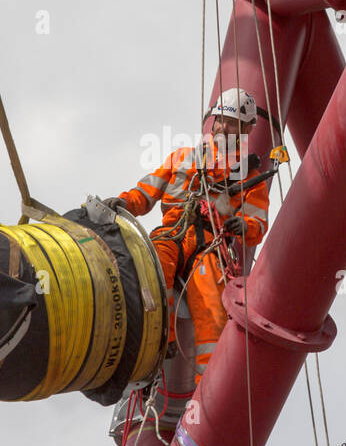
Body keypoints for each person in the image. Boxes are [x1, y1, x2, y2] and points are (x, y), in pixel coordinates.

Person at [107, 88, 270, 385]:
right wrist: (123, 203)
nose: (222, 126)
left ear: (245, 129)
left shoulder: (248, 176)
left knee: (212, 306)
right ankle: (162, 339)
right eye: (219, 119)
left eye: (230, 122)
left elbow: (258, 223)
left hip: (209, 247)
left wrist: (243, 226)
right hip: (171, 234)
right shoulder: (182, 158)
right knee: (154, 267)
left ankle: (212, 386)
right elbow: (145, 193)